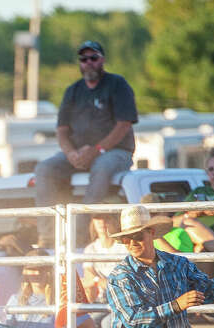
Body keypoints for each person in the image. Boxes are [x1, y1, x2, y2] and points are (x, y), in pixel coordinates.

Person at [34, 41, 138, 247]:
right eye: (84, 59)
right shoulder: (73, 91)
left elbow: (123, 124)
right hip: (79, 152)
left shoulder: (117, 85)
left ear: (102, 60)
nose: (88, 62)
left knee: (101, 169)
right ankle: (48, 236)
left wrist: (97, 150)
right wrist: (71, 153)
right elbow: (62, 130)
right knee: (44, 168)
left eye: (93, 58)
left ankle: (78, 235)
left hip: (114, 152)